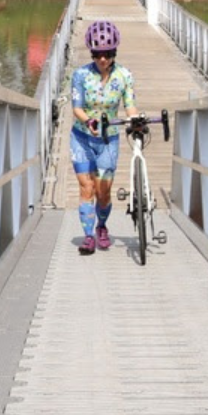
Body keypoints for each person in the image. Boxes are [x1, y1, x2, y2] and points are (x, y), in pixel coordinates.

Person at [70, 20, 138, 254]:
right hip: (82, 137)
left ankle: (101, 226)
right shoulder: (80, 75)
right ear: (92, 52)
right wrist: (87, 121)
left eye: (107, 54)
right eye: (98, 54)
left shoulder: (125, 75)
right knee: (86, 187)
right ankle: (88, 236)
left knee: (103, 191)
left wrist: (134, 120)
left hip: (109, 139)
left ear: (114, 52)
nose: (102, 59)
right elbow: (76, 107)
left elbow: (130, 105)